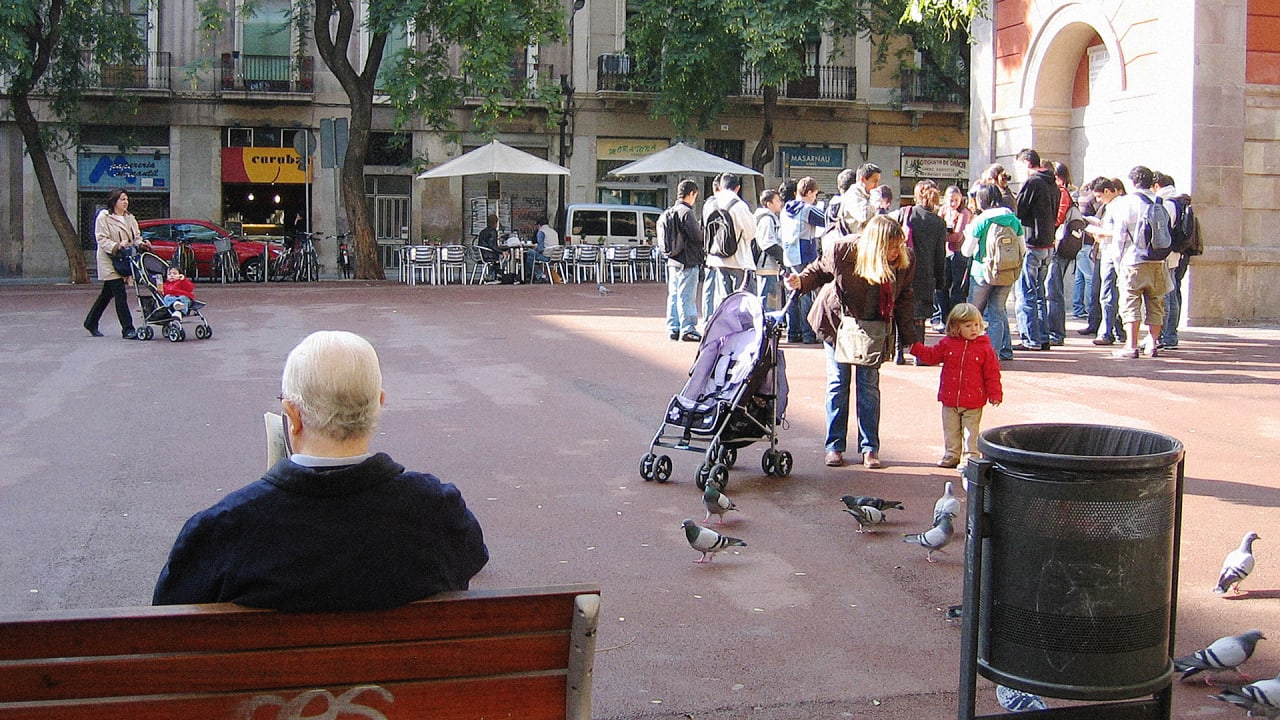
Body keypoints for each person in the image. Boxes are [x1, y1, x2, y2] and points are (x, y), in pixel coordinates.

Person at [152, 330, 489, 612]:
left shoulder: (223, 528)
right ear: (378, 405)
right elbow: (467, 566)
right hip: (406, 691)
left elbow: (168, 620)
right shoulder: (437, 510)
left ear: (292, 415)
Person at [784, 215, 918, 469]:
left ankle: (870, 448)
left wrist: (910, 339)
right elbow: (818, 270)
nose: (895, 252)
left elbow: (905, 298)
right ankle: (834, 445)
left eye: (898, 245)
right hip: (838, 323)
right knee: (838, 382)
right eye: (890, 247)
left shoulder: (905, 260)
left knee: (868, 386)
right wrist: (800, 281)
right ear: (875, 245)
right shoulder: (843, 250)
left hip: (874, 328)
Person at [1092, 166, 1174, 359]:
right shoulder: (1161, 202)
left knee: (1130, 303)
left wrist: (1118, 262)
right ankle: (1153, 343)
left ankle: (1131, 345)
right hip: (1158, 260)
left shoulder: (1125, 203)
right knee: (1156, 303)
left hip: (1132, 259)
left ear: (1133, 182)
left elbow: (1119, 236)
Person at [909, 302, 1002, 471]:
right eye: (968, 326)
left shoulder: (984, 347)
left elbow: (992, 373)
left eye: (977, 325)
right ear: (956, 327)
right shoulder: (947, 344)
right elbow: (932, 356)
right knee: (950, 429)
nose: (974, 329)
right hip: (950, 397)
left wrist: (994, 393)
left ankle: (970, 456)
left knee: (970, 431)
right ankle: (952, 453)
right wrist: (915, 348)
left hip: (973, 399)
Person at [963, 183, 1025, 362]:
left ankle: (970, 353)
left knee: (973, 314)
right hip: (1006, 273)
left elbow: (967, 251)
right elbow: (1022, 248)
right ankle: (993, 356)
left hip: (982, 272)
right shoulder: (1012, 219)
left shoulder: (982, 220)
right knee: (997, 314)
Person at [1012, 148, 1061, 351]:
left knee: (1026, 293)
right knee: (1040, 293)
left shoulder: (1033, 183)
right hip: (1047, 243)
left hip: (1032, 242)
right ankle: (1042, 337)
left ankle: (1030, 338)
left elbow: (1020, 211)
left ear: (1026, 163)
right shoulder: (1054, 185)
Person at [893, 180, 946, 364]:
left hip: (903, 268)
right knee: (919, 316)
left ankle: (898, 353)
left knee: (901, 310)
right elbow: (940, 254)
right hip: (925, 273)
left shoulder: (905, 213)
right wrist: (940, 280)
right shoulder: (939, 223)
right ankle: (919, 354)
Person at [83, 188, 147, 339]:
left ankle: (91, 322)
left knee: (106, 294)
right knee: (120, 294)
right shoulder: (104, 217)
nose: (126, 202)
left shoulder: (130, 218)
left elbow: (136, 237)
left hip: (124, 260)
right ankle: (128, 329)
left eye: (127, 199)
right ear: (114, 201)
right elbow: (101, 239)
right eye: (122, 199)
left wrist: (142, 244)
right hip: (109, 259)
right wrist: (117, 246)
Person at [702, 172, 757, 320]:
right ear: (737, 188)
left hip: (716, 257)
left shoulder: (710, 203)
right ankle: (744, 331)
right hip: (739, 259)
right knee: (743, 299)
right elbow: (751, 233)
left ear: (720, 186)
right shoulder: (739, 205)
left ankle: (726, 330)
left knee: (723, 299)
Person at [781, 176, 828, 343]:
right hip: (805, 254)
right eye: (815, 194)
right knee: (806, 292)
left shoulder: (785, 209)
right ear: (808, 193)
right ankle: (808, 334)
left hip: (788, 255)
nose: (815, 198)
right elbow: (827, 220)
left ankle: (793, 332)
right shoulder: (807, 209)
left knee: (792, 294)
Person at [663, 179, 705, 342]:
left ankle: (673, 327)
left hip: (673, 260)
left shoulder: (670, 211)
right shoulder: (686, 212)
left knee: (673, 295)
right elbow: (697, 236)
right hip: (687, 260)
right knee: (686, 295)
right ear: (692, 194)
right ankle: (688, 328)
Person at [939, 185, 974, 330]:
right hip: (946, 252)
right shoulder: (944, 210)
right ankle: (943, 317)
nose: (953, 203)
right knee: (942, 286)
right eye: (950, 200)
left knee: (957, 287)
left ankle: (955, 319)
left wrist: (942, 236)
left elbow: (958, 235)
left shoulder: (964, 213)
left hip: (959, 253)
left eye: (956, 200)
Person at [753, 189, 786, 311]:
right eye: (777, 200)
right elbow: (767, 243)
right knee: (767, 296)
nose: (780, 203)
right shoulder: (767, 219)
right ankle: (766, 323)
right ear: (769, 204)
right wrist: (782, 258)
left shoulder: (771, 218)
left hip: (769, 266)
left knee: (770, 296)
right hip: (766, 266)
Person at [527, 214, 560, 283]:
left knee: (529, 252)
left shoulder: (541, 232)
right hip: (556, 257)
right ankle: (539, 275)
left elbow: (541, 249)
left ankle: (540, 275)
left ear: (539, 225)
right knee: (530, 258)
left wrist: (535, 249)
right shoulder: (554, 232)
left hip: (546, 257)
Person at [475, 214, 505, 282]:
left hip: (483, 255)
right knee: (505, 258)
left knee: (500, 257)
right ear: (495, 223)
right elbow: (493, 246)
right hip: (489, 256)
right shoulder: (493, 231)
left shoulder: (482, 232)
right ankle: (499, 274)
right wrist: (502, 252)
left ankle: (492, 275)